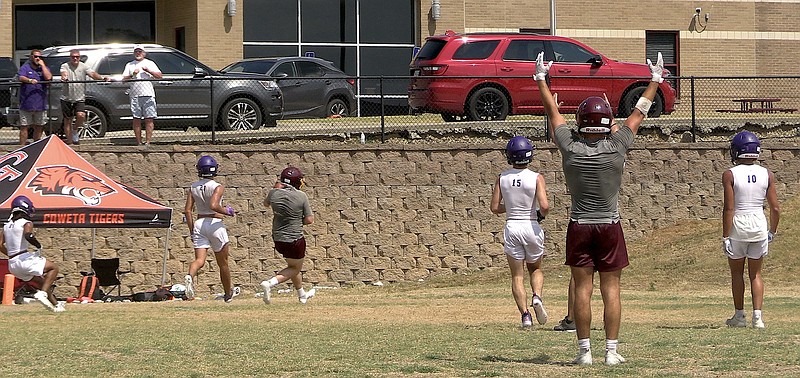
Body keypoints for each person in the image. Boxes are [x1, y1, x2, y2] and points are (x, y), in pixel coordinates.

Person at [535, 51, 665, 365]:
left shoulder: (569, 145)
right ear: (607, 122)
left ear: (580, 121)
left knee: (582, 288)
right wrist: (655, 81)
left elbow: (553, 112)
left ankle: (584, 353)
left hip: (579, 224)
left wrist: (541, 78)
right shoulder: (618, 144)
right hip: (610, 224)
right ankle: (611, 351)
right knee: (611, 289)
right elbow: (639, 112)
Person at [490, 136, 550, 328]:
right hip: (531, 225)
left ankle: (525, 315)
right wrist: (539, 215)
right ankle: (537, 296)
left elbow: (494, 207)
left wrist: (511, 207)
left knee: (517, 275)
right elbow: (545, 206)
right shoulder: (536, 177)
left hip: (512, 226)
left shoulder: (502, 178)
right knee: (536, 268)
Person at [722, 131, 780, 329]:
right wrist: (772, 230)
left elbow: (729, 208)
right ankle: (758, 317)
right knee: (756, 274)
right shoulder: (767, 174)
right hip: (758, 224)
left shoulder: (730, 174)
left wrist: (725, 236)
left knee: (736, 273)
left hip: (738, 225)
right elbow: (775, 207)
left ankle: (739, 316)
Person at [183, 155, 240, 303]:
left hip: (199, 223)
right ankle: (228, 294)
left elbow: (188, 211)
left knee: (199, 260)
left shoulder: (193, 187)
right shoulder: (217, 186)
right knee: (223, 263)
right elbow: (213, 205)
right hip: (215, 223)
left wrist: (191, 230)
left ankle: (190, 276)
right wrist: (227, 211)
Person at [261, 166, 316, 304]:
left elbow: (266, 204)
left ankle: (302, 295)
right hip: (294, 239)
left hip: (278, 239)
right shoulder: (301, 196)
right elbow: (309, 220)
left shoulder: (273, 193)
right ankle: (270, 283)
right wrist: (298, 219)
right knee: (294, 268)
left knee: (291, 266)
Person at [0, 196, 64, 312]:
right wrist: (38, 245)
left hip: (13, 265)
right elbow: (28, 235)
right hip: (24, 259)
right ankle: (43, 294)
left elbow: (0, 245)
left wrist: (10, 255)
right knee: (53, 268)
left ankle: (56, 305)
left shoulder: (6, 226)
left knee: (41, 281)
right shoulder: (26, 223)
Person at [59, 49, 109, 145]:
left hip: (79, 97)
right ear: (70, 57)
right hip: (66, 97)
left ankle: (75, 130)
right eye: (73, 56)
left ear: (79, 57)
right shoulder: (65, 65)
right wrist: (64, 78)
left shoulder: (83, 66)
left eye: (77, 56)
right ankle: (70, 143)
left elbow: (93, 74)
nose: (75, 58)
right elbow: (64, 73)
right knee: (67, 120)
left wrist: (103, 77)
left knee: (81, 115)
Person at [122, 45, 162, 147]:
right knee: (136, 119)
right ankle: (139, 142)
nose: (138, 53)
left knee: (149, 119)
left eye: (140, 51)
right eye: (136, 51)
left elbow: (160, 76)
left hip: (148, 94)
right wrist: (132, 75)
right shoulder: (130, 65)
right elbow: (124, 79)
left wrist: (149, 71)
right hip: (135, 95)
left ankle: (148, 142)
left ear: (144, 53)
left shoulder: (150, 63)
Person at [17, 49, 52, 145]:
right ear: (31, 57)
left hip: (40, 104)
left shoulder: (43, 68)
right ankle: (22, 147)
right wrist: (29, 80)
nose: (37, 58)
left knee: (39, 126)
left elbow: (48, 78)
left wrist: (43, 65)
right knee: (24, 126)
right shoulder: (25, 67)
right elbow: (21, 77)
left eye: (39, 57)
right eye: (35, 56)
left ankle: (35, 146)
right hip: (26, 104)